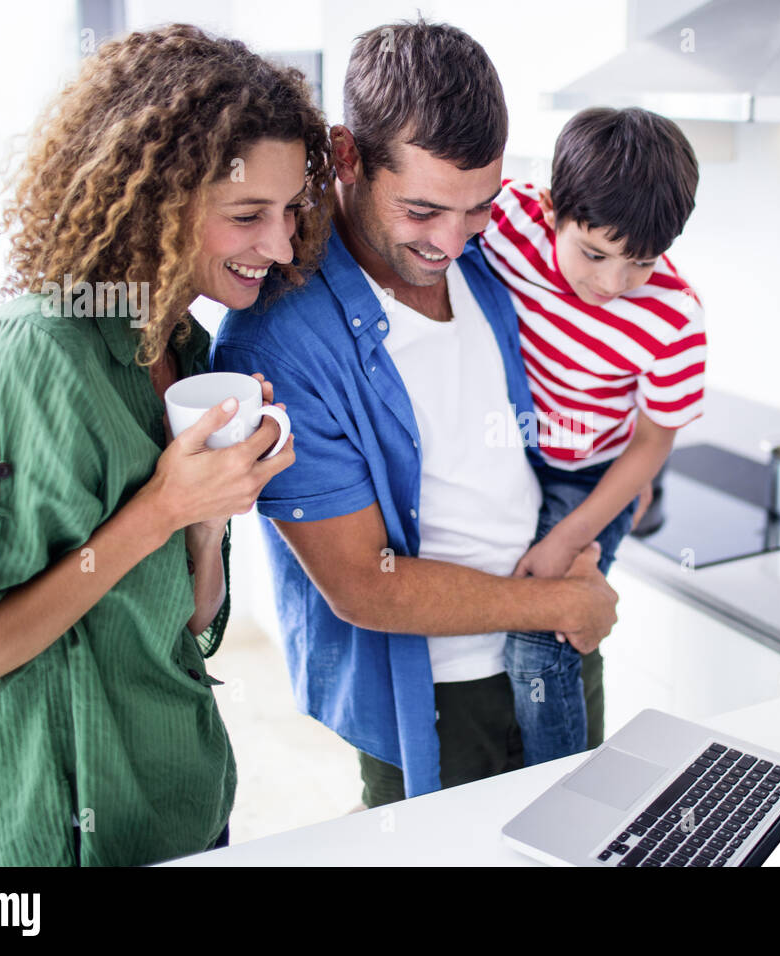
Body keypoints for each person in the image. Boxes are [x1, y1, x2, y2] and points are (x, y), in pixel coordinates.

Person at [0, 23, 329, 865]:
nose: (278, 247)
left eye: (288, 212)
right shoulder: (26, 361)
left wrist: (211, 512)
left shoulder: (187, 351)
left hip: (191, 806)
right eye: (247, 216)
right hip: (62, 841)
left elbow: (192, 625)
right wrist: (161, 509)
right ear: (161, 201)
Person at [212, 19, 617, 807]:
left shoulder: (495, 256)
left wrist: (578, 545)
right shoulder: (276, 340)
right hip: (435, 692)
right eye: (424, 211)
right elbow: (364, 585)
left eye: (478, 210)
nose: (453, 241)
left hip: (556, 642)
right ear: (349, 156)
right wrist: (557, 599)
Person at [478, 107, 706, 764]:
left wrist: (567, 540)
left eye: (640, 263)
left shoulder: (676, 318)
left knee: (542, 640)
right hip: (510, 454)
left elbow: (652, 443)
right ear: (552, 208)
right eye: (594, 253)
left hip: (591, 479)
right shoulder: (508, 222)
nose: (612, 285)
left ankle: (562, 791)